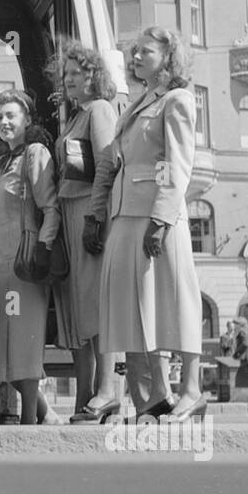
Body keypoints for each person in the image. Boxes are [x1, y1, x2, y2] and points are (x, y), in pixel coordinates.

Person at [85, 26, 204, 423]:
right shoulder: (142, 101)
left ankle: (192, 390)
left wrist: (160, 218)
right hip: (127, 214)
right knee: (138, 309)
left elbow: (177, 164)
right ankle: (157, 395)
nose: (135, 58)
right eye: (134, 52)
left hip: (157, 216)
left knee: (175, 299)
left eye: (145, 52)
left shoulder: (177, 100)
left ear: (168, 58)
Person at [0, 90, 60, 424]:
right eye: (0, 116)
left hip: (23, 263)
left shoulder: (35, 154)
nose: (4, 122)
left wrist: (43, 248)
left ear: (28, 120)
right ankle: (44, 415)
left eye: (11, 116)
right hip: (0, 264)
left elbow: (50, 206)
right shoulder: (4, 162)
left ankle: (32, 417)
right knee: (7, 335)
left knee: (20, 334)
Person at [47, 41, 122, 424]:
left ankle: (107, 390)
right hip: (71, 213)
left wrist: (94, 217)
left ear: (94, 75)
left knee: (96, 307)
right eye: (67, 75)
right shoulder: (77, 115)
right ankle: (87, 394)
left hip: (88, 215)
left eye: (77, 73)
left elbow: (107, 164)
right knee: (81, 309)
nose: (70, 80)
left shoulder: (99, 111)